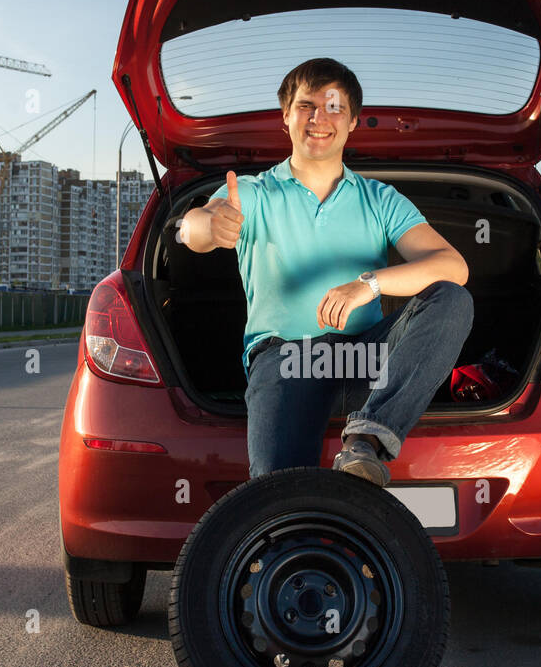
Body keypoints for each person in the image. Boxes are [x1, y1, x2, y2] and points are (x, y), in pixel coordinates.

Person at [178, 58, 473, 485]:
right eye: (305, 106)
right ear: (285, 117)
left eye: (333, 107)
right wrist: (208, 225)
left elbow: (453, 265)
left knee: (451, 298)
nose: (319, 118)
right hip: (288, 359)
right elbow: (195, 226)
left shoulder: (380, 199)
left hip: (365, 357)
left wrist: (368, 285)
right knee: (277, 500)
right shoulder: (253, 192)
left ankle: (365, 443)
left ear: (352, 121)